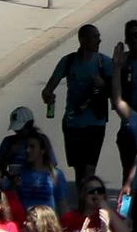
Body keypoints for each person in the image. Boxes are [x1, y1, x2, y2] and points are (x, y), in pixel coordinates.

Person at [42, 24, 114, 182]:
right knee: (79, 170)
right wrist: (48, 96)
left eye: (98, 36)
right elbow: (47, 90)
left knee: (89, 169)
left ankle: (86, 203)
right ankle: (83, 202)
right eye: (95, 37)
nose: (99, 40)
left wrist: (103, 86)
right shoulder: (68, 62)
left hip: (96, 122)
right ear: (82, 39)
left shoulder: (104, 63)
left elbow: (117, 92)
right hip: (72, 123)